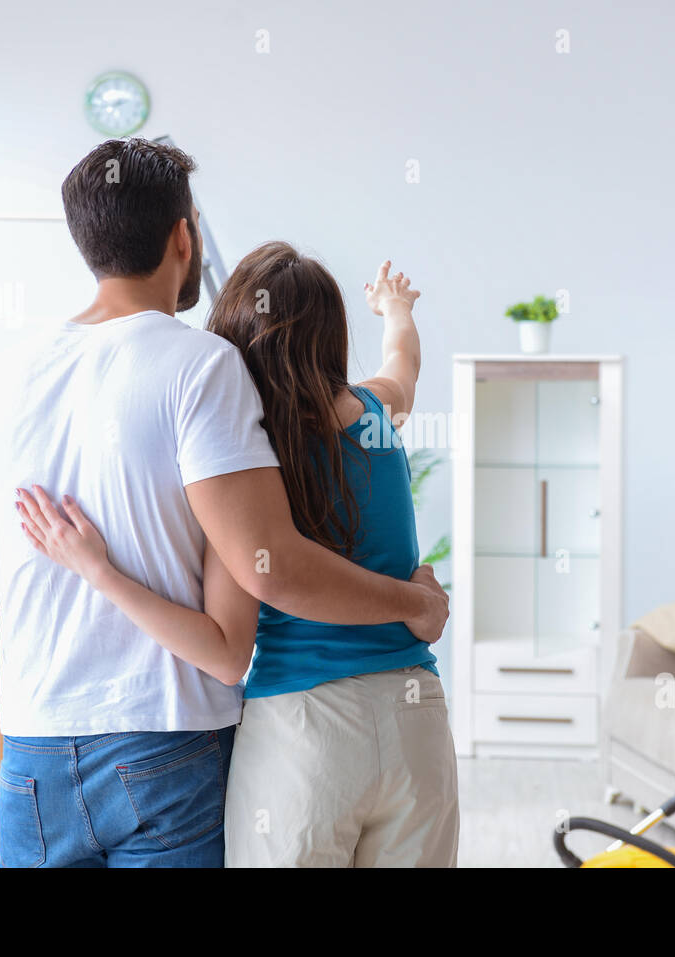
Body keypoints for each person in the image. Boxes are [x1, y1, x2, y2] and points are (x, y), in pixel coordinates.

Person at [0, 138, 448, 868]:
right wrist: (412, 602)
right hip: (171, 743)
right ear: (184, 236)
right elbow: (258, 583)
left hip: (35, 751)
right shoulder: (204, 368)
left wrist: (27, 721)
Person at [26, 241, 460, 867]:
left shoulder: (240, 459)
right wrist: (395, 308)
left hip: (304, 725)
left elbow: (234, 622)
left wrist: (98, 569)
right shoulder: (374, 412)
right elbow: (405, 362)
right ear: (332, 335)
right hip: (414, 712)